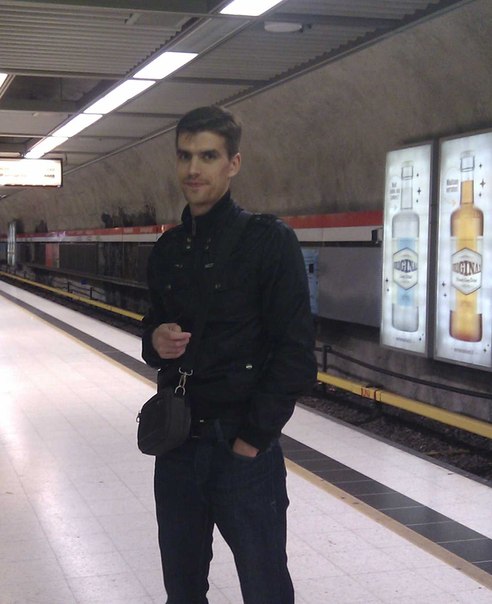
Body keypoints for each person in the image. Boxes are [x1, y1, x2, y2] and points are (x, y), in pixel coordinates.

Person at [141, 105, 317, 604]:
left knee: (265, 589)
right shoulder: (168, 250)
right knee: (182, 590)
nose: (193, 169)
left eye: (208, 156)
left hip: (242, 449)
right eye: (185, 156)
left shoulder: (268, 242)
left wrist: (252, 441)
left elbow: (296, 355)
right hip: (177, 446)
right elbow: (151, 330)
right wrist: (155, 341)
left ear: (233, 164)